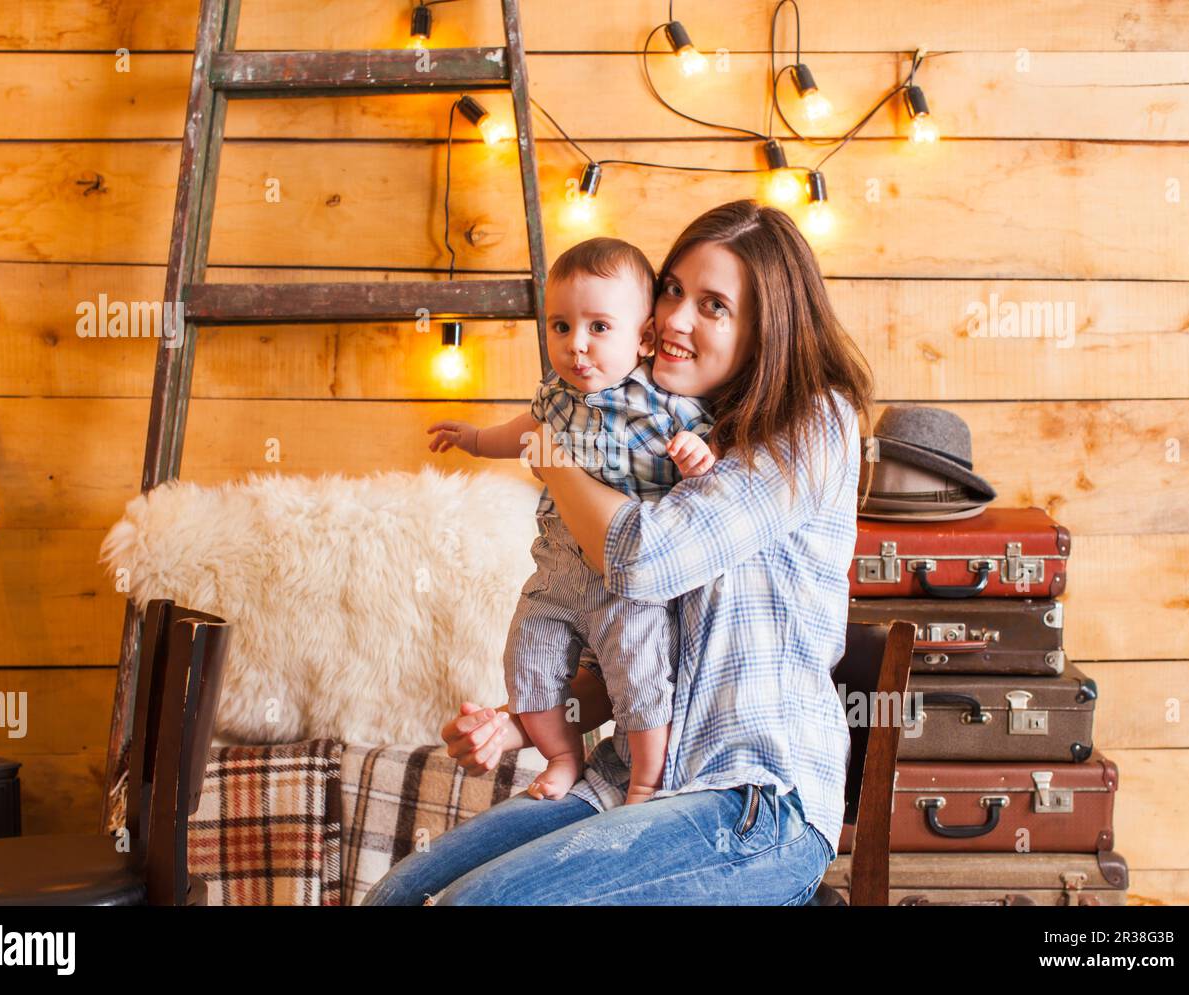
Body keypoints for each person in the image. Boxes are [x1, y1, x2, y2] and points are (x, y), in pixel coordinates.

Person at [363, 198, 875, 906]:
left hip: (754, 803)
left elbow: (641, 559)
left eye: (713, 305)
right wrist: (519, 726)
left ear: (767, 331)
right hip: (626, 780)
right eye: (672, 291)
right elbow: (636, 652)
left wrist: (550, 453)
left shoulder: (812, 422)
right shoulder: (662, 437)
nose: (674, 320)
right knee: (395, 895)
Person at [426, 237, 716, 806]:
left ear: (644, 337)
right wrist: (476, 441)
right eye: (561, 327)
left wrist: (697, 454)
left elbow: (707, 451)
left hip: (625, 587)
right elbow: (521, 431)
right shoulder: (556, 396)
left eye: (598, 328)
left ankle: (644, 783)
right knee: (525, 662)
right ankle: (563, 755)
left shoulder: (663, 403)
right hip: (557, 574)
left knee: (640, 682)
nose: (576, 345)